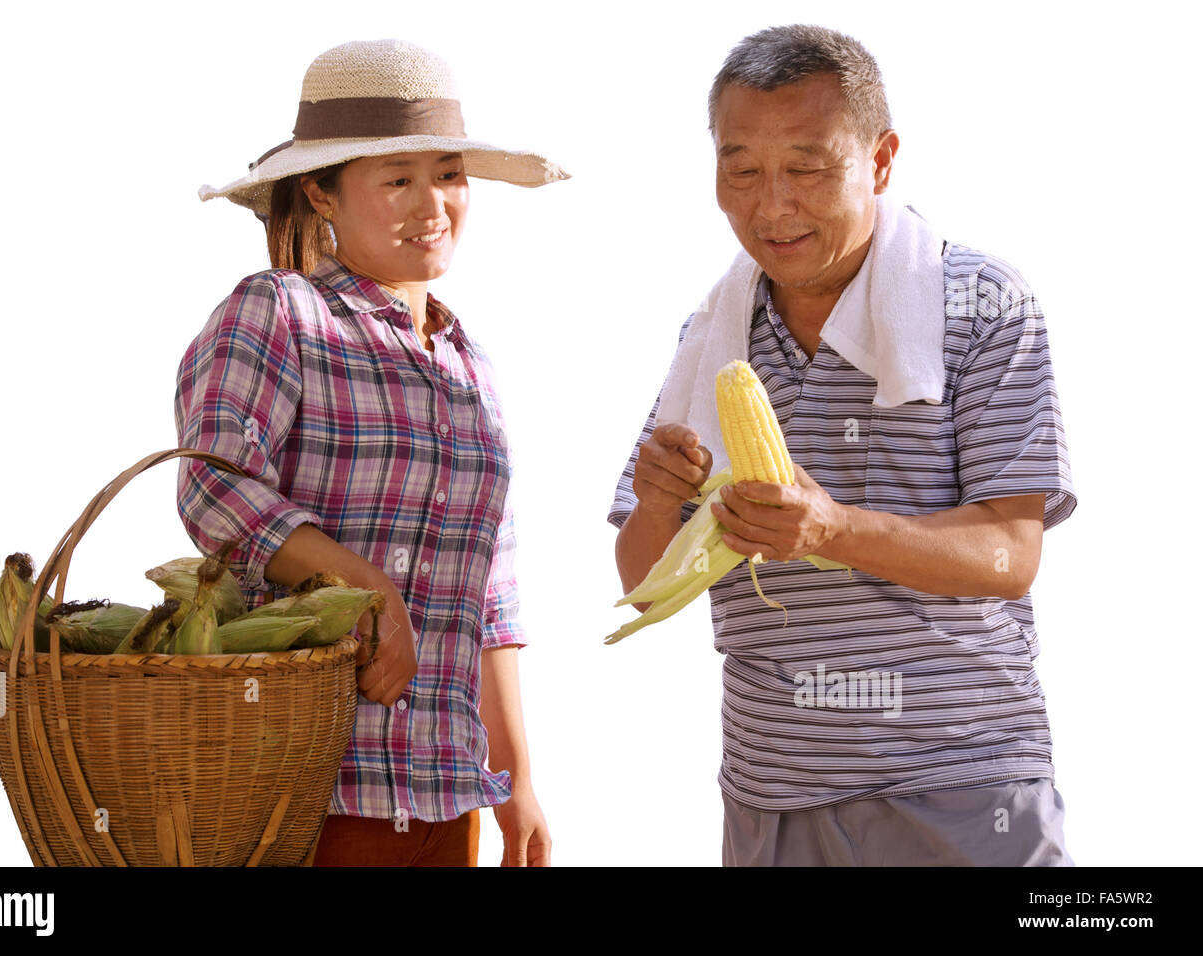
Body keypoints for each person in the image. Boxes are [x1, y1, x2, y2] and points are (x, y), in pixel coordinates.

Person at [608, 24, 1077, 866]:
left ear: (882, 159)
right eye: (741, 169)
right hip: (773, 797)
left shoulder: (982, 305)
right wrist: (651, 501)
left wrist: (833, 530)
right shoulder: (711, 337)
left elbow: (1012, 553)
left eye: (809, 167)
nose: (771, 205)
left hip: (966, 788)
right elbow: (644, 589)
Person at [177, 39, 566, 866]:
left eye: (449, 173)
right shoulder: (281, 314)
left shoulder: (472, 370)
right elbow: (215, 491)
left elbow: (489, 599)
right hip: (306, 792)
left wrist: (518, 780)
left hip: (445, 797)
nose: (433, 205)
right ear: (322, 191)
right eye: (397, 179)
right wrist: (368, 587)